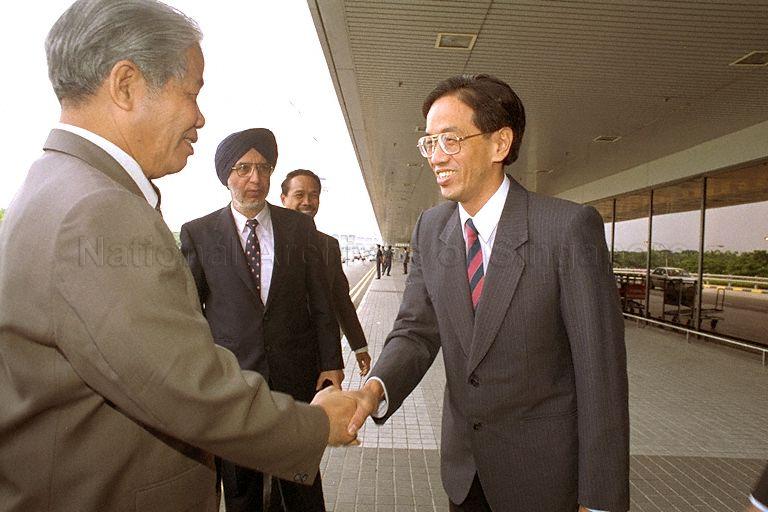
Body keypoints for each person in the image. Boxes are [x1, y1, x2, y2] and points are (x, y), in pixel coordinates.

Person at [0, 2, 357, 511]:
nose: (199, 116)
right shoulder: (98, 209)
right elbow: (184, 387)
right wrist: (321, 424)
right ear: (125, 85)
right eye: (190, 92)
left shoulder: (54, 184)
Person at [347, 74, 629, 512]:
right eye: (429, 143)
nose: (436, 156)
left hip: (545, 480)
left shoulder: (567, 229)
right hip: (464, 474)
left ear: (500, 144)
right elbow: (416, 331)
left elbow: (601, 375)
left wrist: (600, 500)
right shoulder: (431, 228)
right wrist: (372, 390)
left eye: (450, 140)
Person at [180, 129, 344, 512]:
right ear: (226, 175)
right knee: (241, 487)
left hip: (295, 376)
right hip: (234, 380)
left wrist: (332, 364)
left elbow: (321, 302)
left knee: (301, 479)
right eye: (243, 168)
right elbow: (191, 313)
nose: (255, 179)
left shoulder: (300, 229)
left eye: (263, 168)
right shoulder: (200, 233)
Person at [280, 168, 372, 376]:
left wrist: (359, 346)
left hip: (317, 359)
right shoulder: (267, 242)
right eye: (299, 195)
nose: (307, 202)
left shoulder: (329, 246)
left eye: (314, 195)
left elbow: (340, 300)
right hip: (273, 361)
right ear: (283, 199)